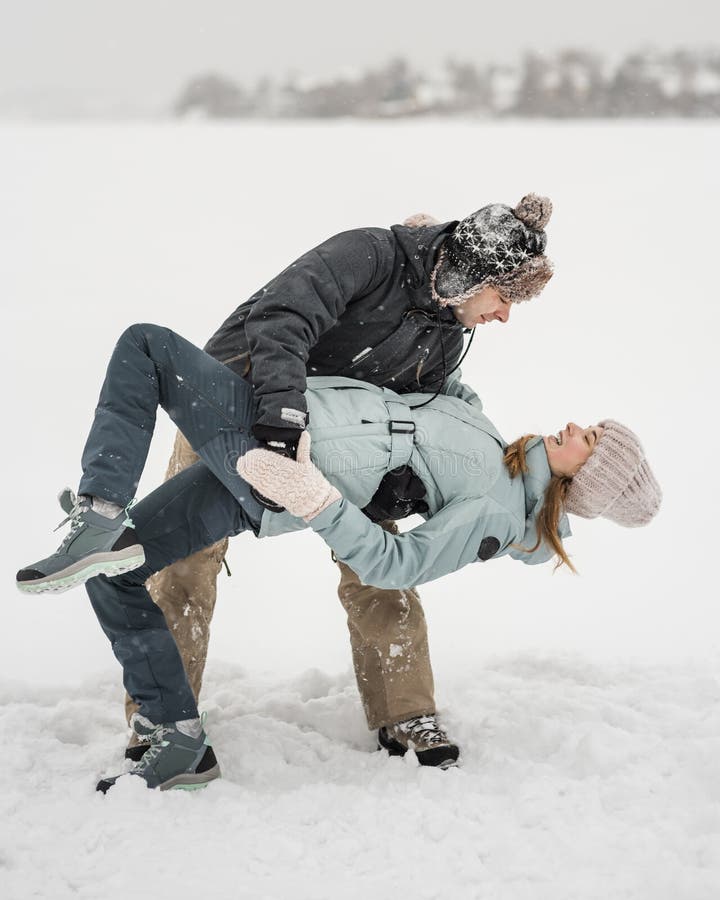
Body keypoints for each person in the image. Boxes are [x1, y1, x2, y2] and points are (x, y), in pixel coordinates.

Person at [16, 322, 661, 792]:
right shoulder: (494, 439)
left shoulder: (496, 513)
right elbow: (441, 376)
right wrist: (439, 303)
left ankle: (99, 511)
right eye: (589, 426)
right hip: (282, 427)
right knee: (113, 566)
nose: (574, 426)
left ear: (583, 480)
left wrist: (316, 499)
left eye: (589, 439)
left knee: (145, 345)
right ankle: (175, 734)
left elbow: (399, 564)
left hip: (284, 453)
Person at [124, 194, 556, 769]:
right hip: (236, 409)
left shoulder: (446, 335)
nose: (504, 316)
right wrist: (283, 417)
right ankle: (162, 718)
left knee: (377, 566)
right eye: (504, 297)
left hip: (350, 445)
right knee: (185, 560)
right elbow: (282, 317)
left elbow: (427, 405)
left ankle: (407, 713)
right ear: (469, 276)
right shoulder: (367, 253)